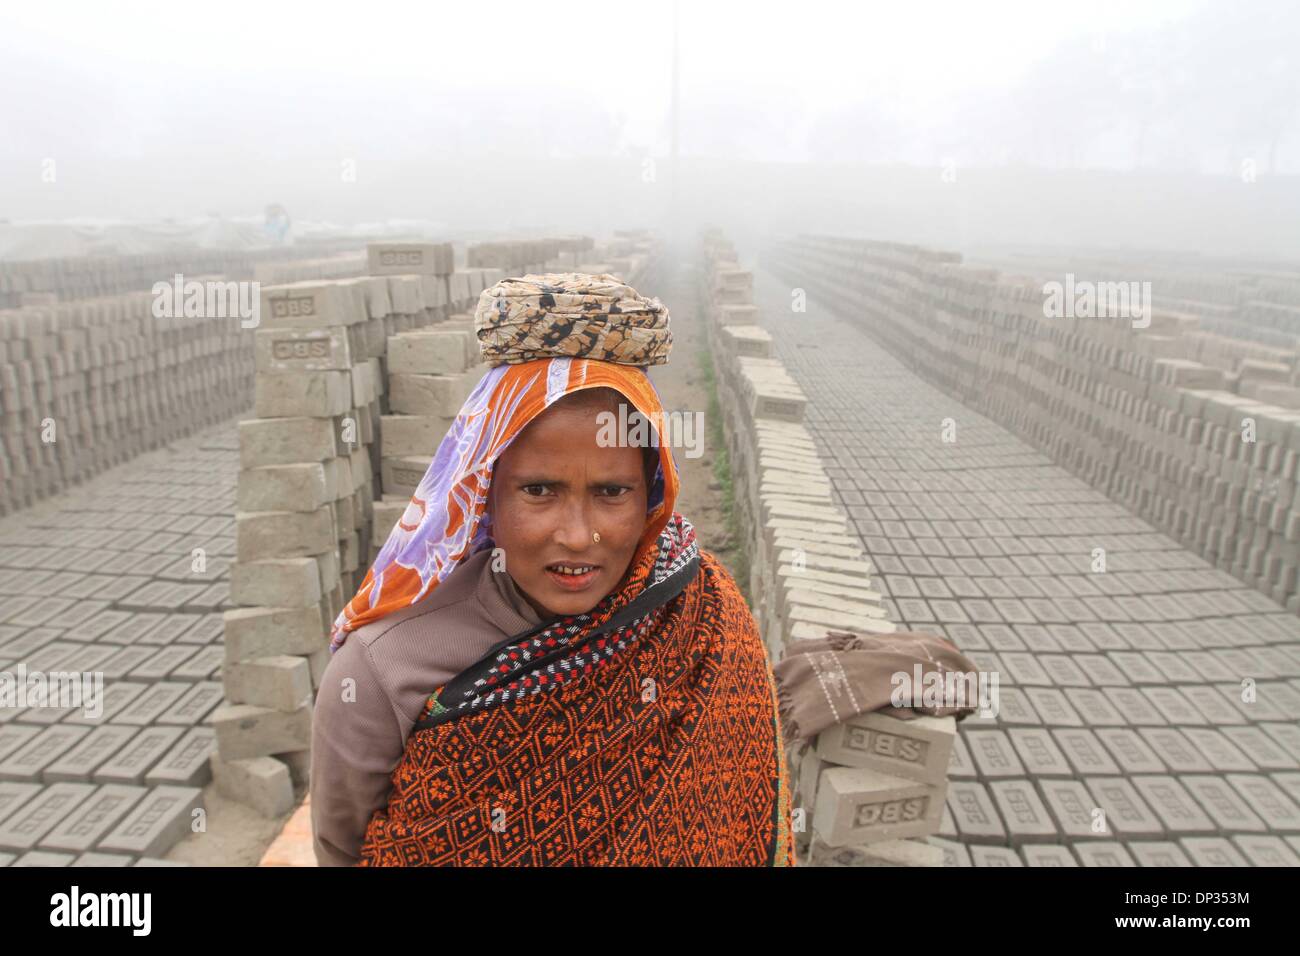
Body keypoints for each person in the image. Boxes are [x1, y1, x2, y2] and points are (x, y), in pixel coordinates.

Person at [310, 272, 795, 866]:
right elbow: (343, 853)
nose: (577, 535)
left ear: (652, 495)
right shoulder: (381, 671)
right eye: (539, 490)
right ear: (484, 494)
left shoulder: (697, 609)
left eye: (612, 492)